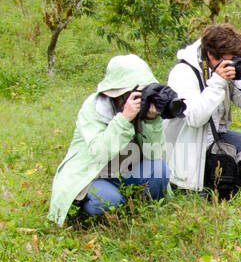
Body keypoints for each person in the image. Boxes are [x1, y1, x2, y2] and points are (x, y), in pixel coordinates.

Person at [47, 55, 170, 226]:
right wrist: (124, 119)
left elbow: (156, 154)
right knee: (109, 200)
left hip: (125, 171)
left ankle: (143, 212)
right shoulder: (94, 108)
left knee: (160, 169)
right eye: (134, 93)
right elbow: (99, 153)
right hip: (93, 175)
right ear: (117, 93)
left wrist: (151, 120)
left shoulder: (141, 108)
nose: (139, 97)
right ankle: (86, 211)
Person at [165, 23, 241, 198]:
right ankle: (195, 189)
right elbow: (194, 118)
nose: (233, 63)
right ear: (211, 55)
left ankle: (229, 192)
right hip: (186, 145)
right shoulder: (183, 73)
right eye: (229, 59)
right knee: (198, 193)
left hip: (213, 137)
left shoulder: (222, 67)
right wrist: (218, 82)